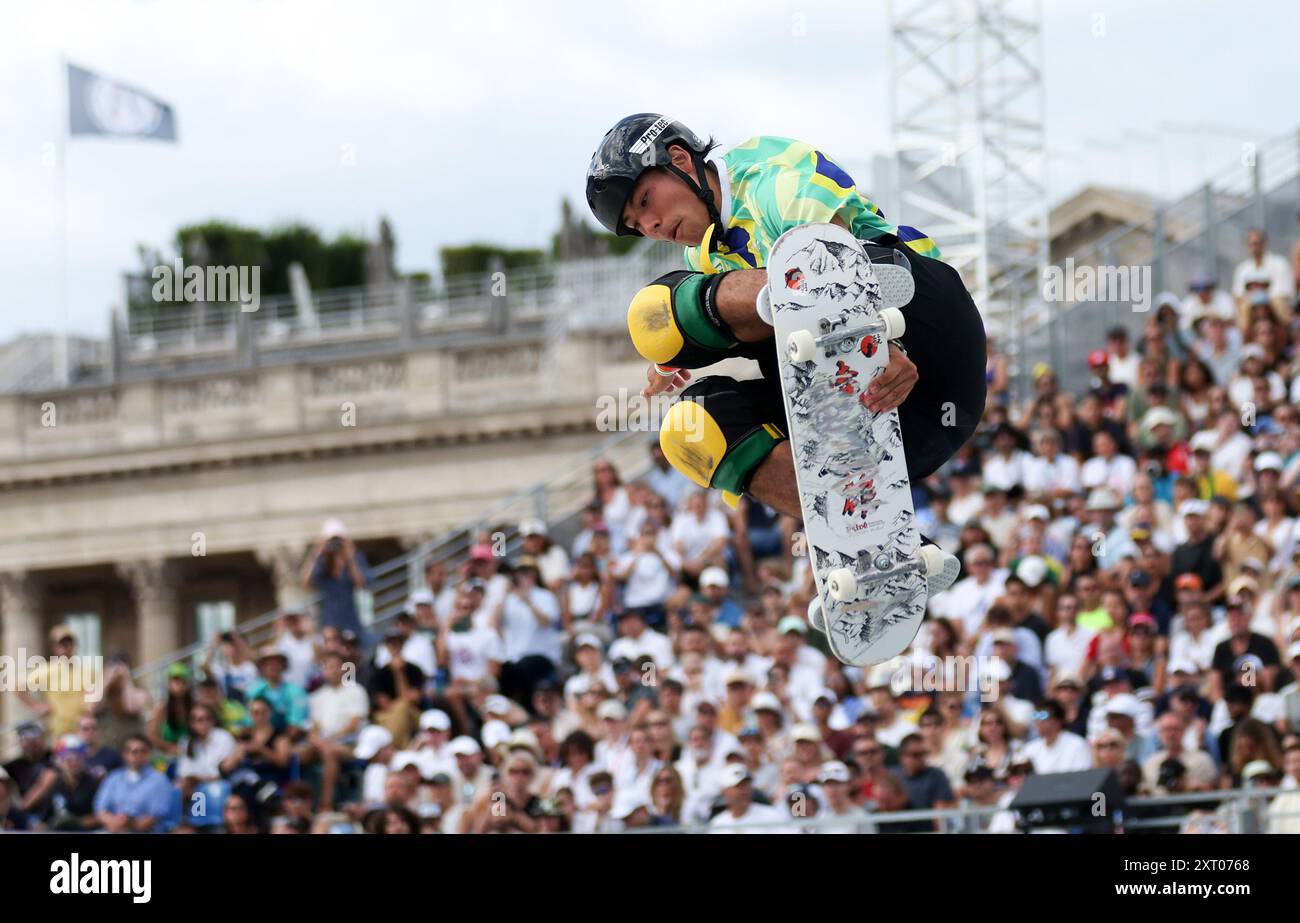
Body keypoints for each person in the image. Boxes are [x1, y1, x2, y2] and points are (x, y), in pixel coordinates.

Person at [585, 114, 980, 610]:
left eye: (646, 203)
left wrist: (887, 343)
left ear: (681, 160)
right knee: (689, 430)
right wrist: (682, 359)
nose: (654, 226)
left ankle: (821, 313)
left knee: (658, 312)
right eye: (637, 226)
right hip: (893, 429)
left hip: (933, 343)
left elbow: (838, 260)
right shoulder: (704, 259)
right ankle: (876, 541)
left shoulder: (773, 176)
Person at [300, 518, 371, 636]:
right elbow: (305, 582)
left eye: (338, 540)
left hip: (351, 618)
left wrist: (350, 558)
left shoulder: (355, 558)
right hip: (329, 620)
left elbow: (361, 583)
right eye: (332, 540)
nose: (335, 544)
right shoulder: (323, 561)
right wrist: (315, 554)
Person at [94, 735, 175, 833]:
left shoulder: (160, 780)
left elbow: (156, 816)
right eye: (134, 751)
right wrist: (114, 823)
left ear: (149, 754)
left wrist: (129, 824)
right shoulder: (113, 777)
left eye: (143, 751)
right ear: (125, 754)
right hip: (114, 830)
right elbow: (100, 809)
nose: (138, 755)